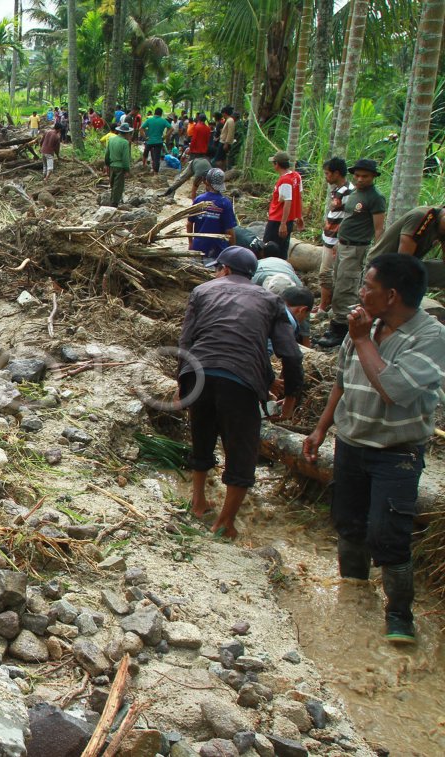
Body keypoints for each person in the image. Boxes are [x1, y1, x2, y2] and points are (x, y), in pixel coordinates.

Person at [302, 255, 445, 644]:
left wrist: (364, 339)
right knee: (348, 524)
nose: (361, 292)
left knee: (388, 534)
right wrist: (320, 429)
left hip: (397, 452)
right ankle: (354, 595)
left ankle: (399, 615)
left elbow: (394, 389)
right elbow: (342, 380)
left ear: (392, 295)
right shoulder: (366, 324)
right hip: (351, 442)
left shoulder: (430, 337)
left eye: (368, 286)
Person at [179, 245, 304, 539]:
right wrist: (291, 397)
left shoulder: (202, 291)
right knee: (241, 450)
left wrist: (182, 384)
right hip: (240, 381)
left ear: (224, 269)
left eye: (216, 269)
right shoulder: (271, 300)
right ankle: (225, 524)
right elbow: (290, 354)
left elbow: (186, 342)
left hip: (198, 373)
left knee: (202, 435)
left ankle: (198, 503)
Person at [317, 159, 387, 348]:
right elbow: (347, 219)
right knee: (338, 281)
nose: (360, 179)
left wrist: (376, 252)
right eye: (357, 175)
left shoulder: (375, 198)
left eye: (365, 176)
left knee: (346, 287)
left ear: (373, 177)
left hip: (357, 248)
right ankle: (338, 322)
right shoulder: (355, 193)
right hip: (343, 244)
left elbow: (379, 229)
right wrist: (338, 242)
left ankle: (340, 329)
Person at [318, 157, 350, 315]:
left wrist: (339, 240)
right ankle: (327, 304)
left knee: (326, 273)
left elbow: (348, 218)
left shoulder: (348, 191)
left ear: (337, 173)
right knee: (328, 272)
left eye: (327, 173)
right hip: (329, 237)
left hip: (335, 239)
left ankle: (324, 307)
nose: (326, 177)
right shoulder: (339, 190)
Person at [188, 168, 237, 261]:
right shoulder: (225, 203)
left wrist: (191, 243)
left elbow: (189, 224)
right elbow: (230, 231)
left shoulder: (198, 200)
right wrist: (233, 250)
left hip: (198, 247)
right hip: (217, 250)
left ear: (207, 182)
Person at [263, 151, 304, 260]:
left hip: (277, 221)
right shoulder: (296, 176)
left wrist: (282, 224)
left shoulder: (285, 181)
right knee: (283, 248)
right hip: (288, 220)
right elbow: (299, 196)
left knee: (268, 248)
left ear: (277, 164)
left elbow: (288, 202)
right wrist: (299, 215)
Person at [370, 205, 445, 258]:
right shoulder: (421, 217)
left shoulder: (440, 223)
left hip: (404, 264)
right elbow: (403, 259)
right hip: (381, 266)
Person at [104, 123, 133, 207]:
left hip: (112, 165)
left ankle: (112, 200)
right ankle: (114, 203)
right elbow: (125, 158)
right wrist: (127, 169)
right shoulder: (125, 143)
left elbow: (107, 154)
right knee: (118, 186)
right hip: (120, 167)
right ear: (127, 133)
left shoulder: (111, 140)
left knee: (113, 184)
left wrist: (107, 164)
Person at [141, 108, 170, 173]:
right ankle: (155, 172)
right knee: (157, 158)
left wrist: (145, 137)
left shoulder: (149, 120)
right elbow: (171, 129)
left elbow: (141, 128)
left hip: (150, 141)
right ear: (161, 114)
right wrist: (165, 137)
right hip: (159, 141)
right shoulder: (163, 120)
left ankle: (143, 165)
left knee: (145, 153)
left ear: (154, 113)